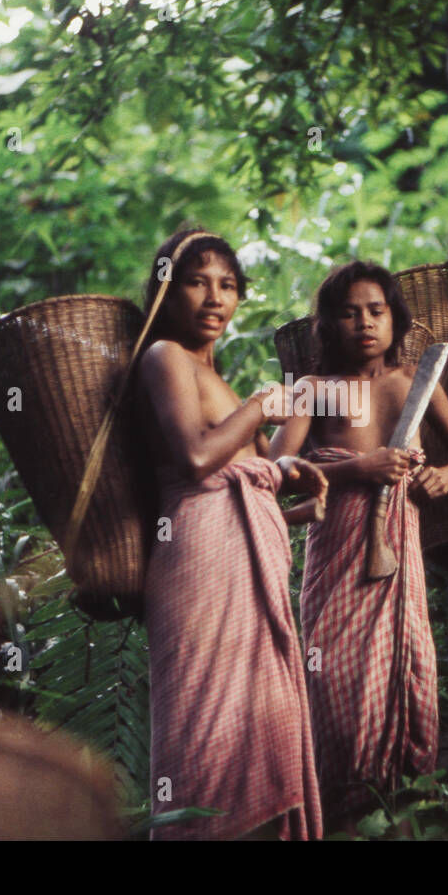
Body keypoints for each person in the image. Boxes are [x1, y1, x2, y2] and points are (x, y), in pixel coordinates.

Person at [268, 260, 448, 829]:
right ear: (330, 324)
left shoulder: (412, 381)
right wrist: (359, 466)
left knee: (402, 681)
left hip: (396, 554)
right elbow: (276, 470)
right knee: (330, 682)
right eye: (349, 312)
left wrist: (447, 477)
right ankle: (335, 817)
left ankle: (398, 816)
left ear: (395, 318)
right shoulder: (314, 390)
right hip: (336, 554)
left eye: (376, 311)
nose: (364, 323)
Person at [137, 227, 327, 839]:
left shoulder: (212, 373)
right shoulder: (165, 357)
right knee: (204, 714)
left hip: (246, 550)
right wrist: (257, 408)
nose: (214, 297)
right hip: (197, 547)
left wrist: (298, 472)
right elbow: (195, 459)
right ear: (168, 293)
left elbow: (258, 466)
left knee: (261, 715)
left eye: (227, 285)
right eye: (196, 282)